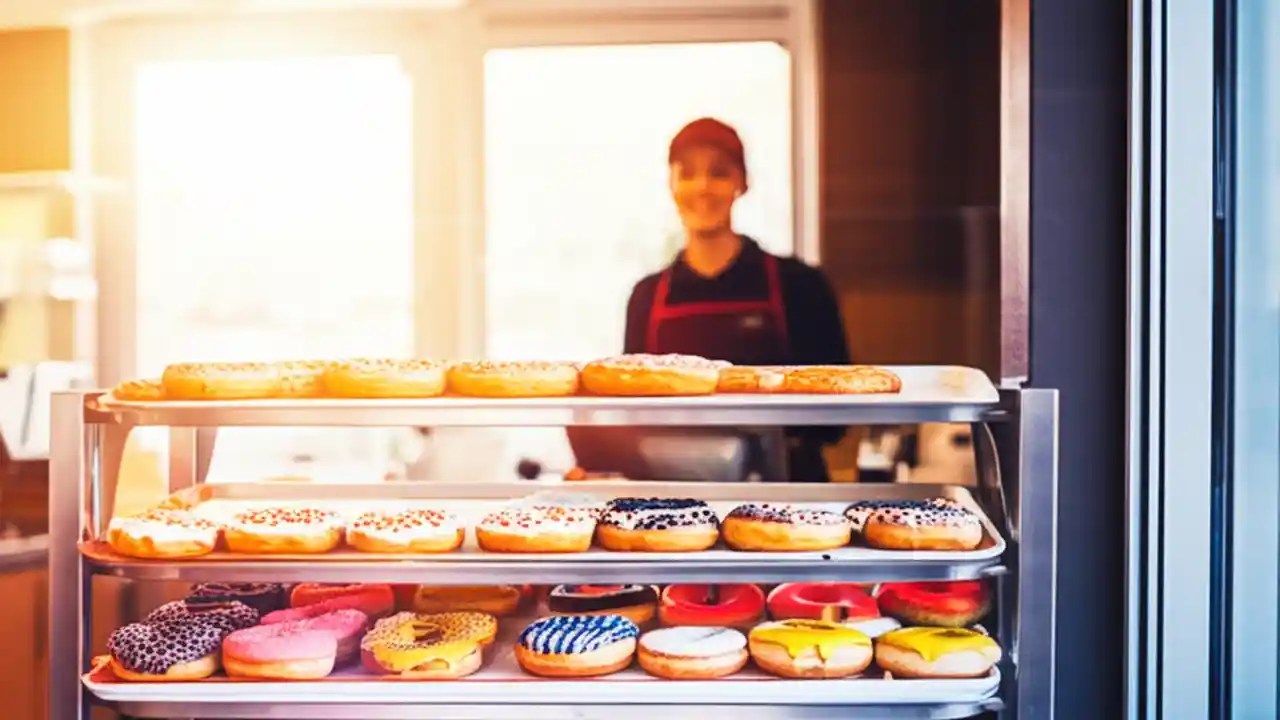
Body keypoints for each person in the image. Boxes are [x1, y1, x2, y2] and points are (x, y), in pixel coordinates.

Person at [570, 118, 851, 483]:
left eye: (718, 173)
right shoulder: (646, 297)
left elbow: (836, 418)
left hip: (788, 495)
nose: (702, 187)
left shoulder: (800, 285)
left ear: (742, 183)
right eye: (687, 173)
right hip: (673, 504)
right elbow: (635, 413)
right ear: (671, 184)